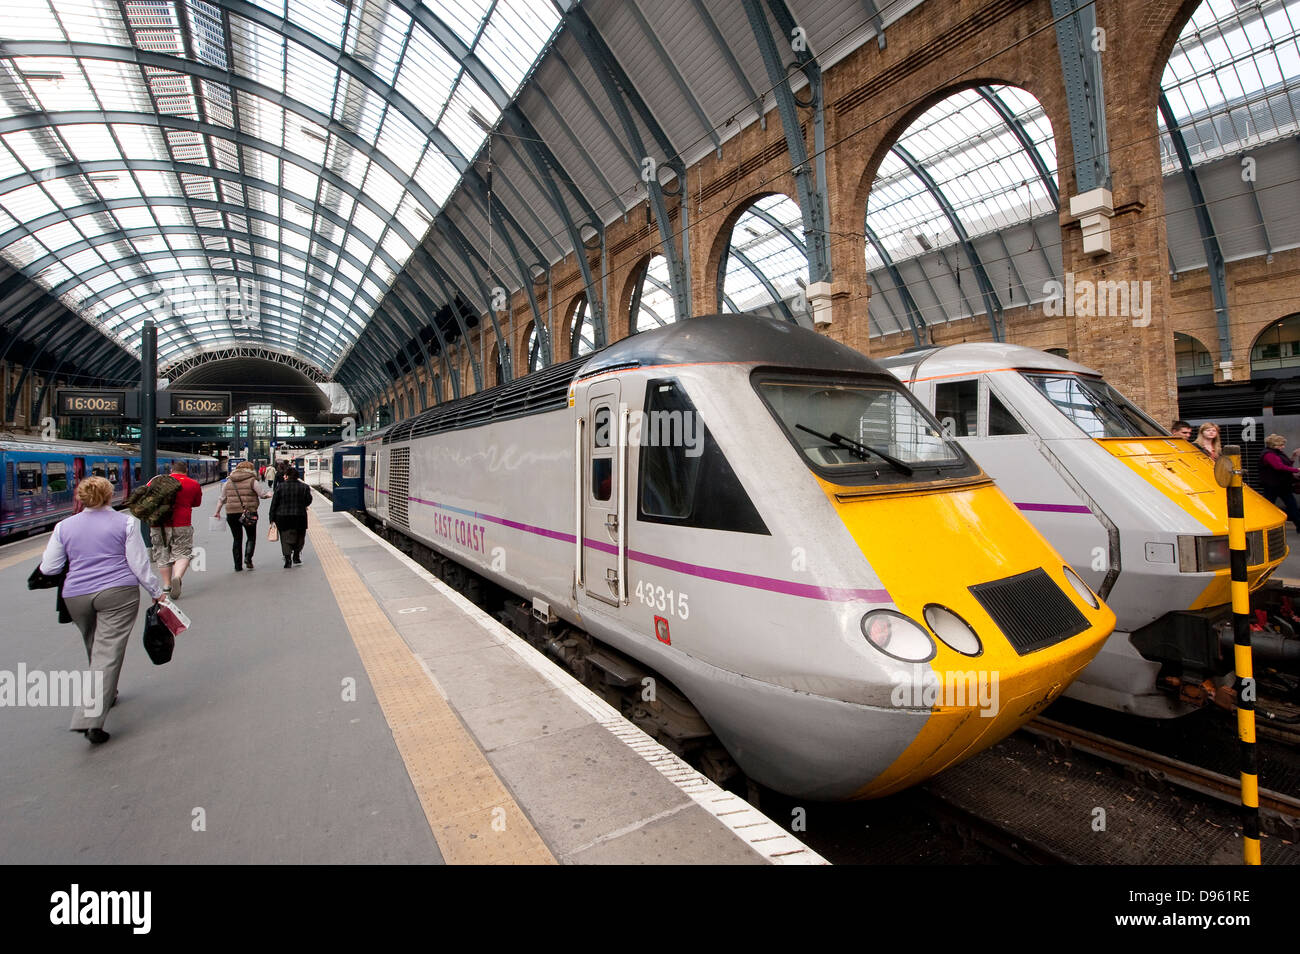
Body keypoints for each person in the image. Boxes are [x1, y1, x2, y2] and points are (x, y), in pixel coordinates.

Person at [37, 476, 164, 745]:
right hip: (118, 593)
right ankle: (90, 718)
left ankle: (107, 691)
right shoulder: (125, 522)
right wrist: (156, 591)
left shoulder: (63, 527)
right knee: (107, 653)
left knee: (96, 647)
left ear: (80, 498)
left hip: (76, 596)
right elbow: (139, 564)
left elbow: (49, 568)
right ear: (110, 495)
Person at [147, 459, 202, 599]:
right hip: (182, 523)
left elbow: (147, 498)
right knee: (183, 552)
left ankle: (166, 585)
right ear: (186, 471)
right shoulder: (193, 484)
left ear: (171, 471)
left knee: (161, 553)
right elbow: (197, 503)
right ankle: (177, 577)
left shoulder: (157, 480)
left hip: (159, 523)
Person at [213, 461, 271, 571]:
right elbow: (262, 495)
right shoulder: (252, 480)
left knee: (237, 538)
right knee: (251, 536)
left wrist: (217, 512)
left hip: (231, 513)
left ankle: (237, 566)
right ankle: (248, 558)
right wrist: (269, 495)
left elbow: (222, 499)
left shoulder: (228, 482)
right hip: (249, 512)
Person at [269, 466, 312, 568]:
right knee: (300, 537)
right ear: (297, 476)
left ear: (287, 476)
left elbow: (274, 504)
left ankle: (288, 559)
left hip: (283, 517)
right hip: (299, 516)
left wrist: (271, 518)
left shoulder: (280, 487)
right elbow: (308, 501)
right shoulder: (305, 487)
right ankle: (296, 556)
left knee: (285, 537)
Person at [1260, 435, 1300, 532]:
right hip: (1273, 485)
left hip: (1281, 485)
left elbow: (1285, 465)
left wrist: (1293, 457)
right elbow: (1279, 467)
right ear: (1274, 445)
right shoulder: (1268, 454)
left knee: (1291, 505)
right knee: (1270, 506)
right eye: (1281, 445)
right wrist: (1297, 470)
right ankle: (1266, 526)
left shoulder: (1277, 453)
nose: (1283, 447)